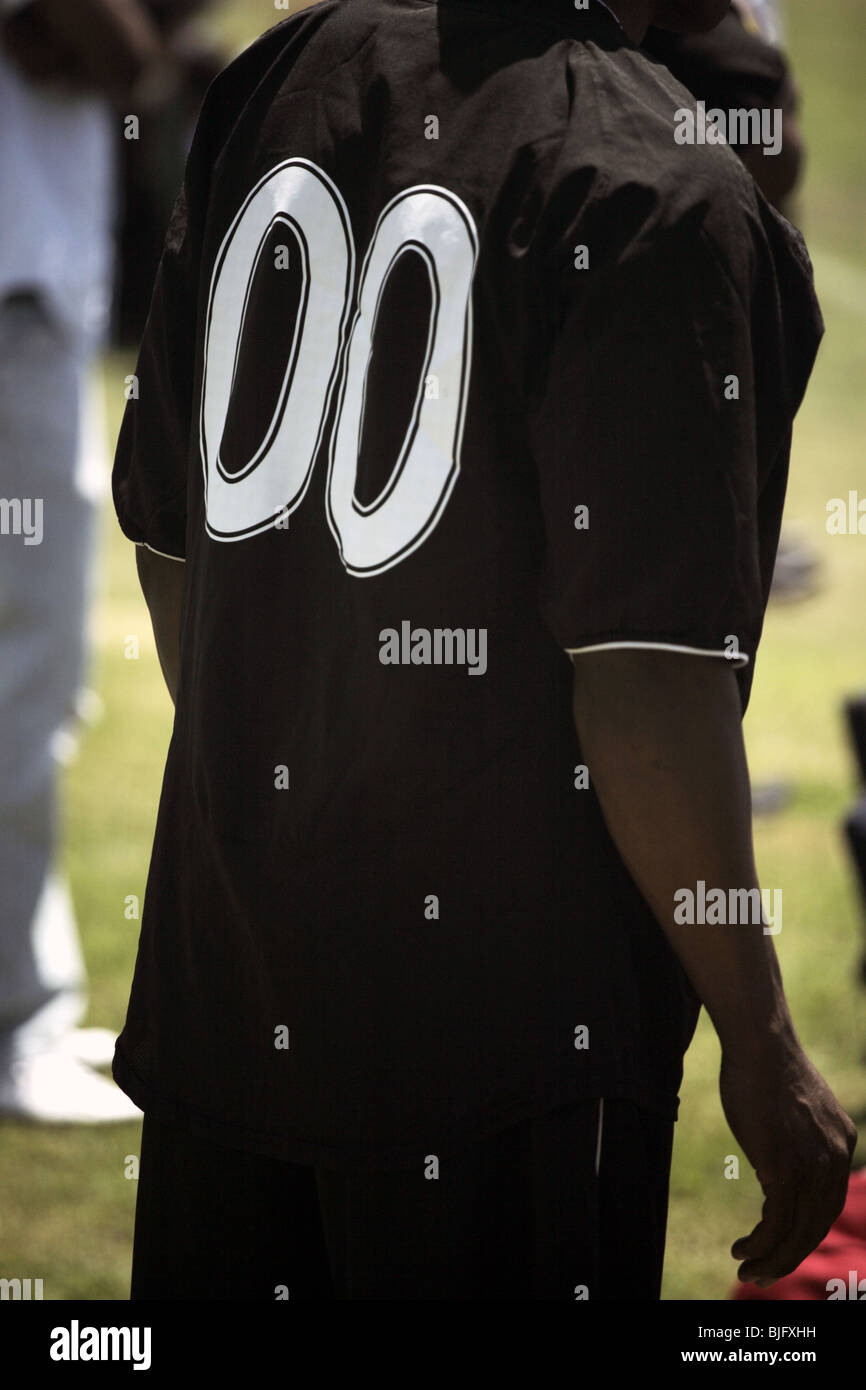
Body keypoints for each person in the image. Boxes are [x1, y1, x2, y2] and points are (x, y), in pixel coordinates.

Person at [112, 0, 856, 1301]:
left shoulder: (279, 74)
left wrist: (286, 804)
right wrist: (759, 1030)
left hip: (228, 982)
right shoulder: (656, 181)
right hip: (504, 1044)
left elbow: (173, 545)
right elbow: (643, 681)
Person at [0, 0, 176, 1122]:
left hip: (31, 275)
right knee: (28, 665)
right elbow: (92, 33)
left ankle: (23, 1008)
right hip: (16, 280)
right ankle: (16, 1024)